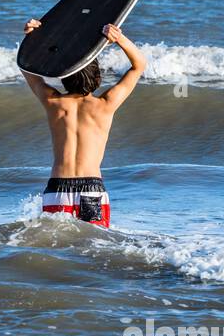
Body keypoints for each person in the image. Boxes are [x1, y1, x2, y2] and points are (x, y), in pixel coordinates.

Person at [20, 20, 147, 228]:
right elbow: (139, 65)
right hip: (92, 190)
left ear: (65, 76)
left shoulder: (53, 103)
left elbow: (26, 66)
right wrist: (119, 38)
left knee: (57, 251)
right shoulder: (105, 105)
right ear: (97, 76)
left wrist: (32, 38)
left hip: (57, 190)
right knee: (94, 249)